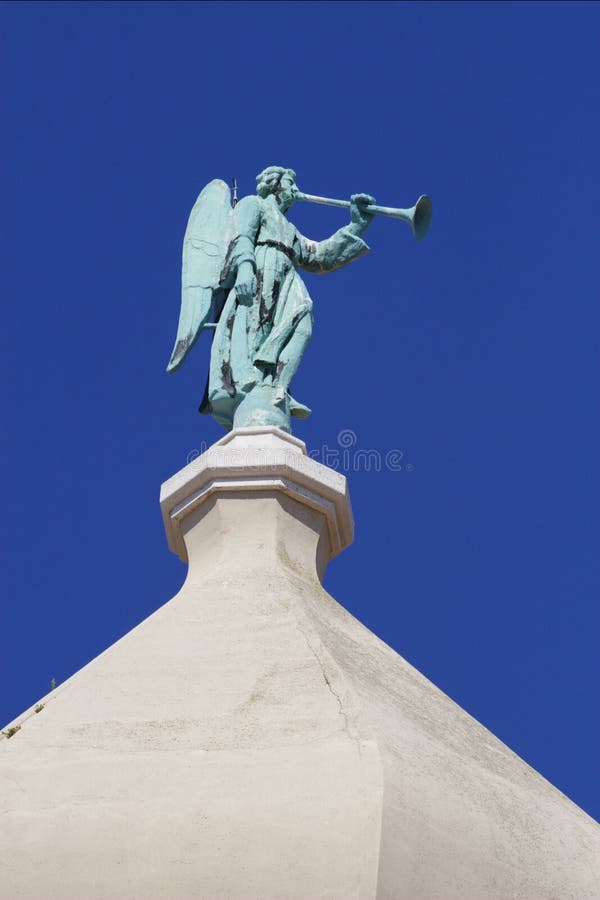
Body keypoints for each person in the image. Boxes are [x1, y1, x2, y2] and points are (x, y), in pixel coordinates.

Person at [204, 166, 375, 428]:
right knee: (254, 333)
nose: (295, 191)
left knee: (303, 320)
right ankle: (259, 383)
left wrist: (355, 226)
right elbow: (242, 237)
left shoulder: (290, 229)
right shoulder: (253, 204)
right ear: (275, 185)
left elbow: (320, 256)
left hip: (285, 275)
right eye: (290, 184)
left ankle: (278, 386)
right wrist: (246, 269)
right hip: (260, 267)